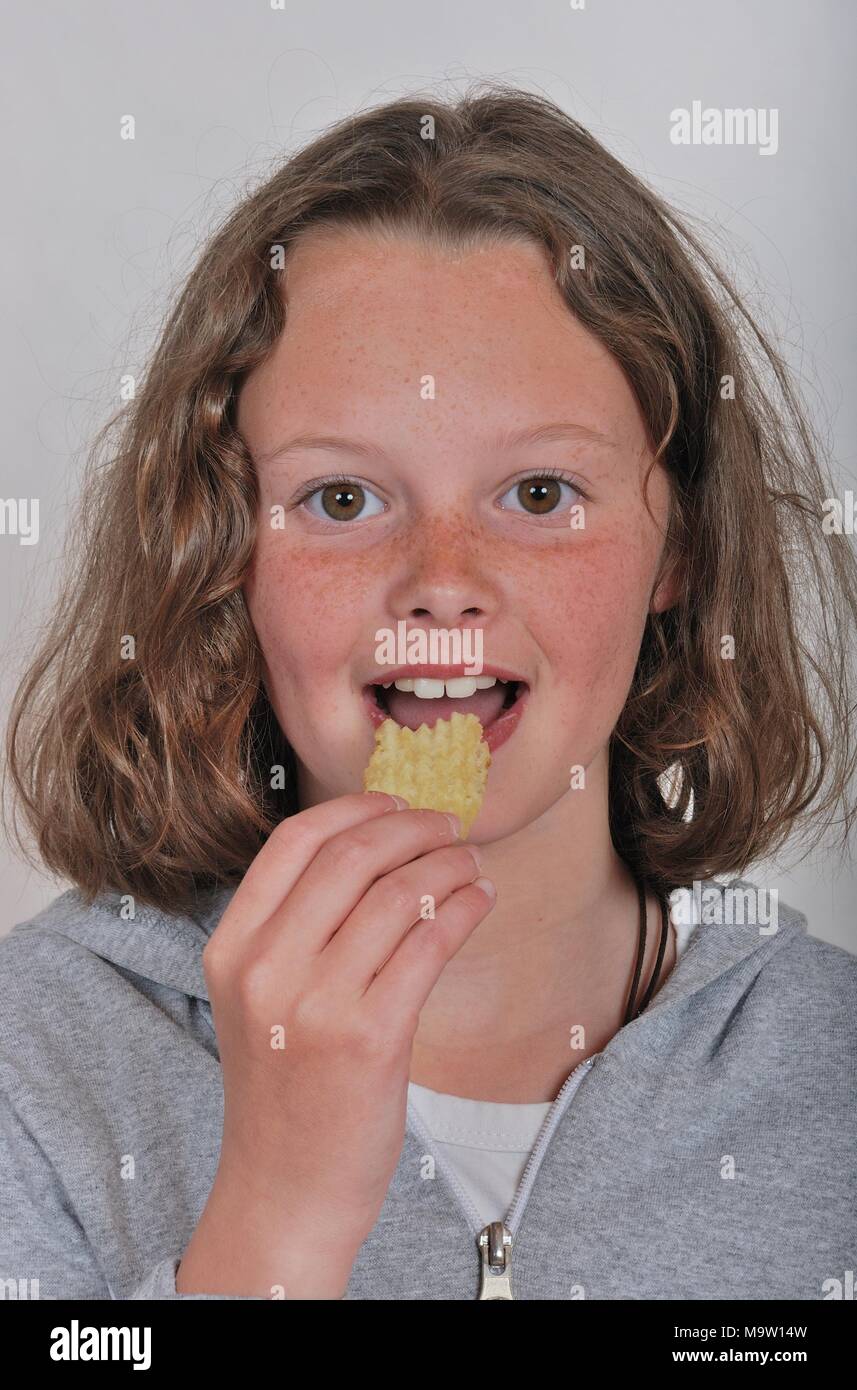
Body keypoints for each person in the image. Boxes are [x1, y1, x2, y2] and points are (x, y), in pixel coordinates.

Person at [2, 86, 855, 1302]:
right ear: (219, 549)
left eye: (541, 494)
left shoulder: (831, 1074)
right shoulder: (32, 1062)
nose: (442, 585)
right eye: (343, 499)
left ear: (680, 551)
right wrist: (278, 1219)